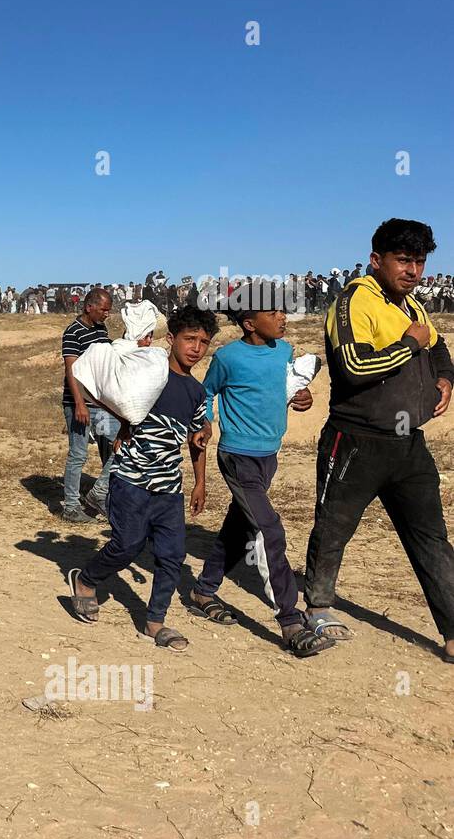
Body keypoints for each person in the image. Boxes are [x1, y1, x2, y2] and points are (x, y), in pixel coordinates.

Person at [303, 218, 454, 663]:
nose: (413, 271)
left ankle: (452, 630)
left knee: (431, 537)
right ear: (377, 260)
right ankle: (317, 608)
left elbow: (438, 343)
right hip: (355, 441)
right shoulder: (353, 300)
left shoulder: (413, 305)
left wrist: (445, 377)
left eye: (420, 262)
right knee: (333, 529)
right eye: (403, 260)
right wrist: (409, 345)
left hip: (409, 444)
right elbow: (353, 366)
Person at [66, 305, 218, 652]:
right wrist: (122, 422)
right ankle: (87, 580)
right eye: (189, 338)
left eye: (204, 342)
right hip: (131, 480)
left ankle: (155, 622)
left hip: (168, 488)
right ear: (171, 339)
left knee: (172, 555)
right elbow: (110, 393)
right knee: (128, 544)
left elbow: (198, 438)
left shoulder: (196, 393)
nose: (196, 347)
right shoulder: (148, 373)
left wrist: (200, 482)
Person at [187, 301, 326, 656]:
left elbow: (289, 387)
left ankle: (203, 590)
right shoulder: (228, 357)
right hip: (237, 456)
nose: (283, 318)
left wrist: (303, 397)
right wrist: (205, 422)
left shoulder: (284, 350)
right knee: (269, 531)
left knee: (239, 527)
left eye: (284, 312)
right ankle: (290, 621)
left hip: (269, 455)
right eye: (274, 313)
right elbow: (205, 393)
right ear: (249, 323)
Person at [60, 288, 120, 523]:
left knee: (115, 447)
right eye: (104, 309)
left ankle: (100, 495)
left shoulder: (100, 330)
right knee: (78, 454)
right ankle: (71, 507)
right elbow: (71, 370)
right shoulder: (73, 332)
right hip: (80, 405)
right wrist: (78, 404)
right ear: (89, 307)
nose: (107, 314)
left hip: (101, 405)